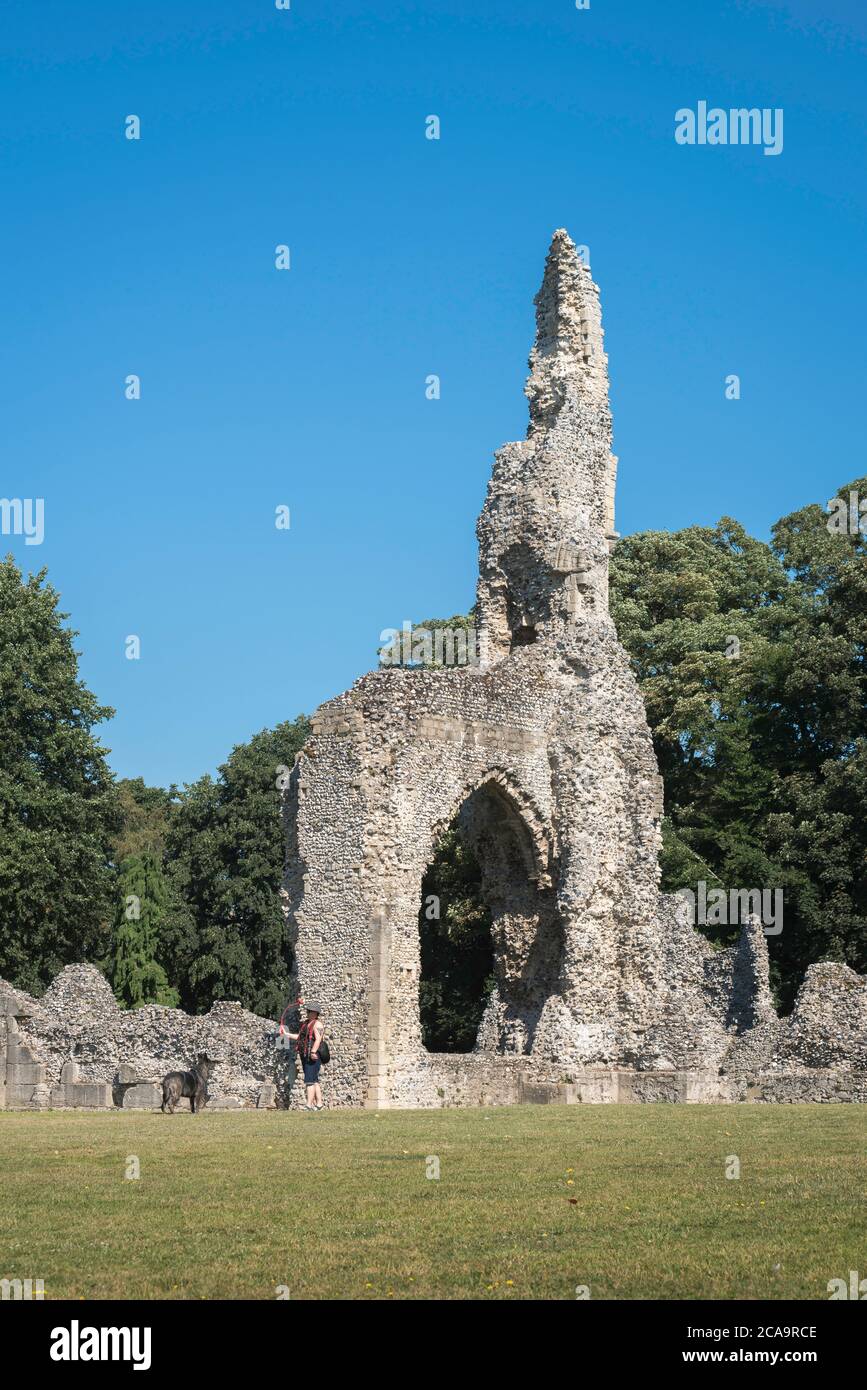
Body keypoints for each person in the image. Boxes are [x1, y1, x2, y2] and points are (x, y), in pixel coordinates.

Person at [281, 1002, 324, 1111]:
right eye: (308, 1011)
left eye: (310, 1011)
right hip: (305, 1055)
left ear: (315, 1013)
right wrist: (287, 1035)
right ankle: (319, 1104)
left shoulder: (317, 1024)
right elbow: (300, 1038)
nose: (308, 1013)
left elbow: (318, 1039)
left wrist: (313, 1052)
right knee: (314, 1080)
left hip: (312, 1056)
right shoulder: (306, 1024)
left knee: (309, 1081)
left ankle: (309, 1105)